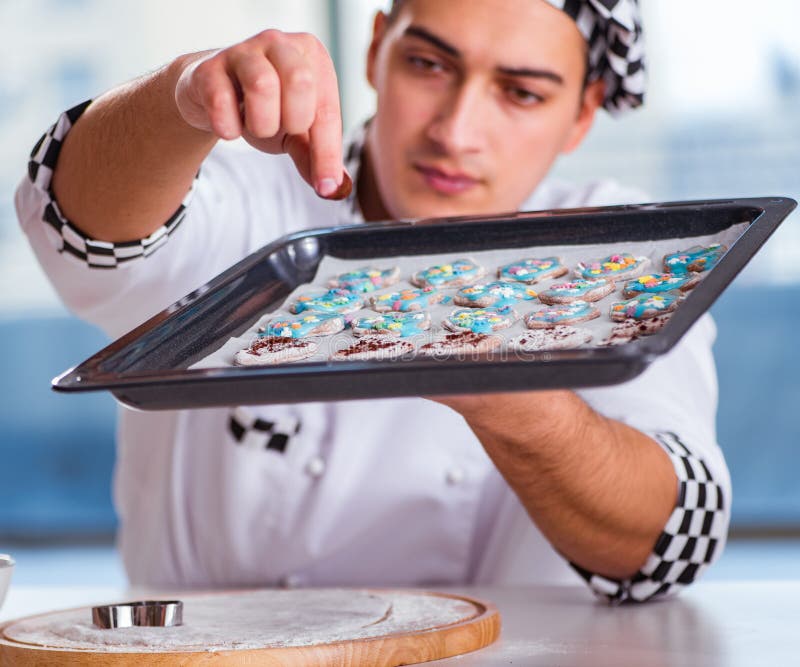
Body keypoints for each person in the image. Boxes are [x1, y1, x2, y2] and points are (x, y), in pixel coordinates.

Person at [16, 0, 729, 602]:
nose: (455, 131)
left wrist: (500, 384)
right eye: (429, 65)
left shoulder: (618, 257)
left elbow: (669, 540)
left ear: (581, 116)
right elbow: (79, 231)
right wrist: (183, 97)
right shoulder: (257, 204)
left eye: (521, 93)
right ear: (375, 49)